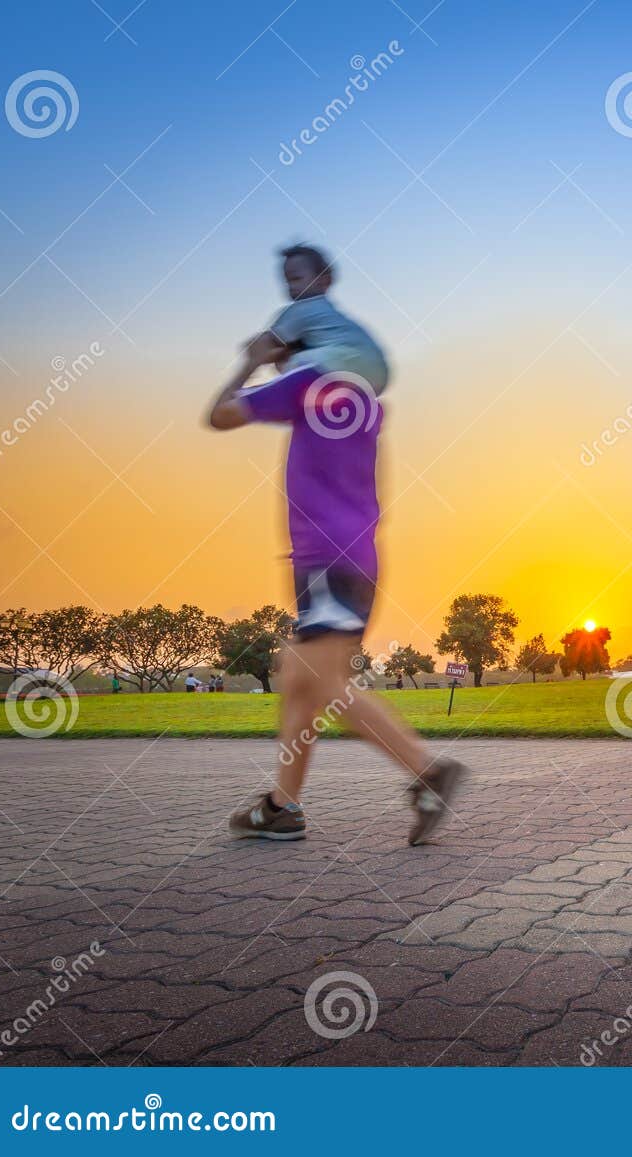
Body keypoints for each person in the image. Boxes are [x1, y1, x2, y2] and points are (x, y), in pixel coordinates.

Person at [206, 242, 469, 844]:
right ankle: (282, 806)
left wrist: (248, 362)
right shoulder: (367, 405)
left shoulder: (302, 387)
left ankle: (427, 771)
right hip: (358, 557)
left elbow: (217, 416)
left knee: (319, 682)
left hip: (325, 559)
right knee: (299, 680)